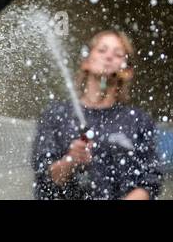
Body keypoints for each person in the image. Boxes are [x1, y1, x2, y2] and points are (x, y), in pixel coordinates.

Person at [32, 28, 162, 200]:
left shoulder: (137, 119)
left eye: (117, 54)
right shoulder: (57, 114)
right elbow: (46, 178)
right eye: (102, 50)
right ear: (86, 62)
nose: (108, 57)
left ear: (127, 71)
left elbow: (150, 181)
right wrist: (71, 159)